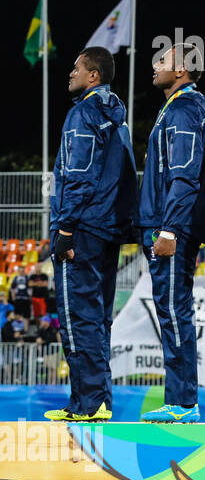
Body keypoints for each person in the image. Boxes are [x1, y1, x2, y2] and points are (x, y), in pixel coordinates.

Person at [43, 47, 138, 422]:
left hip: (81, 228)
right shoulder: (115, 114)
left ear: (93, 76)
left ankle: (87, 403)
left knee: (78, 316)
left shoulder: (82, 113)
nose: (70, 73)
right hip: (107, 228)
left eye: (76, 68)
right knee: (97, 317)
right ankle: (97, 401)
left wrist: (65, 227)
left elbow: (78, 175)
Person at [139, 42, 205, 423]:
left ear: (182, 71)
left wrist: (169, 229)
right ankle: (182, 400)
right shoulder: (176, 109)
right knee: (172, 312)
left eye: (164, 60)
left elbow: (183, 176)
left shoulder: (185, 110)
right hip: (166, 224)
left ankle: (184, 402)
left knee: (174, 312)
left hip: (171, 228)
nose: (156, 65)